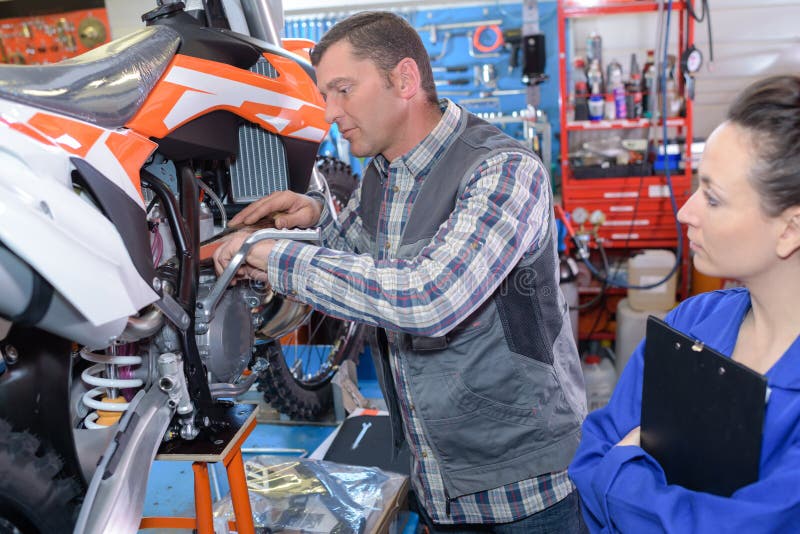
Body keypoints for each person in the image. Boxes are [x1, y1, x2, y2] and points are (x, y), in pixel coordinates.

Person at [214, 11, 587, 532]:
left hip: (522, 492)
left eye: (343, 89)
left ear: (405, 79)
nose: (329, 112)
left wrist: (271, 255)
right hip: (435, 481)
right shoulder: (382, 177)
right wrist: (313, 221)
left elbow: (428, 299)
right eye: (325, 95)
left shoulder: (501, 170)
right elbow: (354, 265)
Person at [569, 74, 800, 532]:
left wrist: (623, 474)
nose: (685, 211)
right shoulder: (692, 324)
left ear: (789, 229)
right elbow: (591, 449)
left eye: (712, 198)